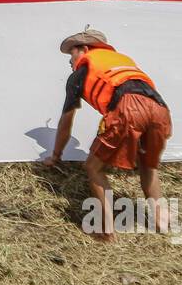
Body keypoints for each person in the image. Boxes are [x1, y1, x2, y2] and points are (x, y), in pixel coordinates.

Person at [47, 28, 173, 241]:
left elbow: (66, 121)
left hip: (129, 108)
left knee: (93, 167)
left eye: (72, 54)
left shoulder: (80, 73)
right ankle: (162, 219)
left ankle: (106, 230)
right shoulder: (122, 61)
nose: (70, 61)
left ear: (85, 49)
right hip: (160, 109)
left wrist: (56, 155)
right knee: (148, 164)